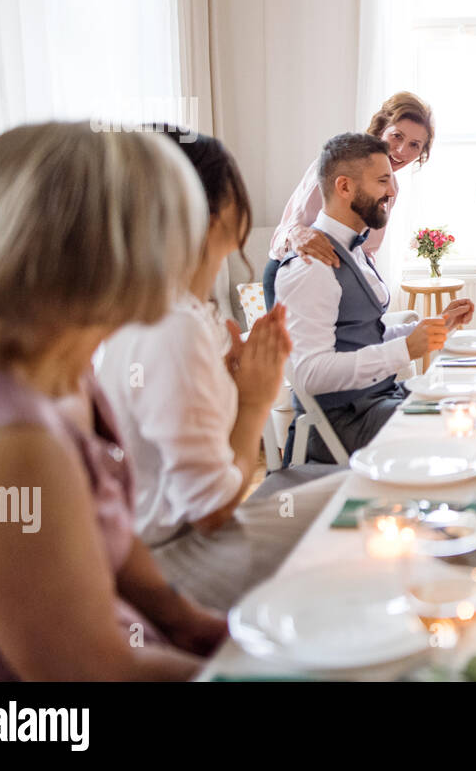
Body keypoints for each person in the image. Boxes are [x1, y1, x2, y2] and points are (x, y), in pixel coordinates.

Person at [0, 122, 226, 680]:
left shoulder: (56, 356)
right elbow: (90, 676)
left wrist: (193, 622)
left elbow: (108, 539)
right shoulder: (2, 447)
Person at [97, 130, 333, 611]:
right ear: (215, 213)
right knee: (359, 514)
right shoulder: (173, 325)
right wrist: (253, 402)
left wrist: (227, 382)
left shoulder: (174, 311)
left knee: (357, 490)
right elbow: (211, 511)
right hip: (170, 564)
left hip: (166, 542)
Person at [276, 133, 473, 465]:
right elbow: (310, 374)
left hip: (378, 401)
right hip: (339, 423)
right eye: (383, 181)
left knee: (471, 398)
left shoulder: (357, 250)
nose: (393, 191)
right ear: (344, 187)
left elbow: (363, 334)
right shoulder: (311, 266)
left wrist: (434, 328)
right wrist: (406, 349)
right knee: (461, 428)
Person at [263, 92, 436, 309]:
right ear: (381, 128)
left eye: (414, 145)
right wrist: (297, 235)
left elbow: (367, 250)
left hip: (337, 280)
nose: (402, 151)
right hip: (294, 273)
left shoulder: (391, 189)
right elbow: (284, 233)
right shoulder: (336, 167)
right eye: (397, 136)